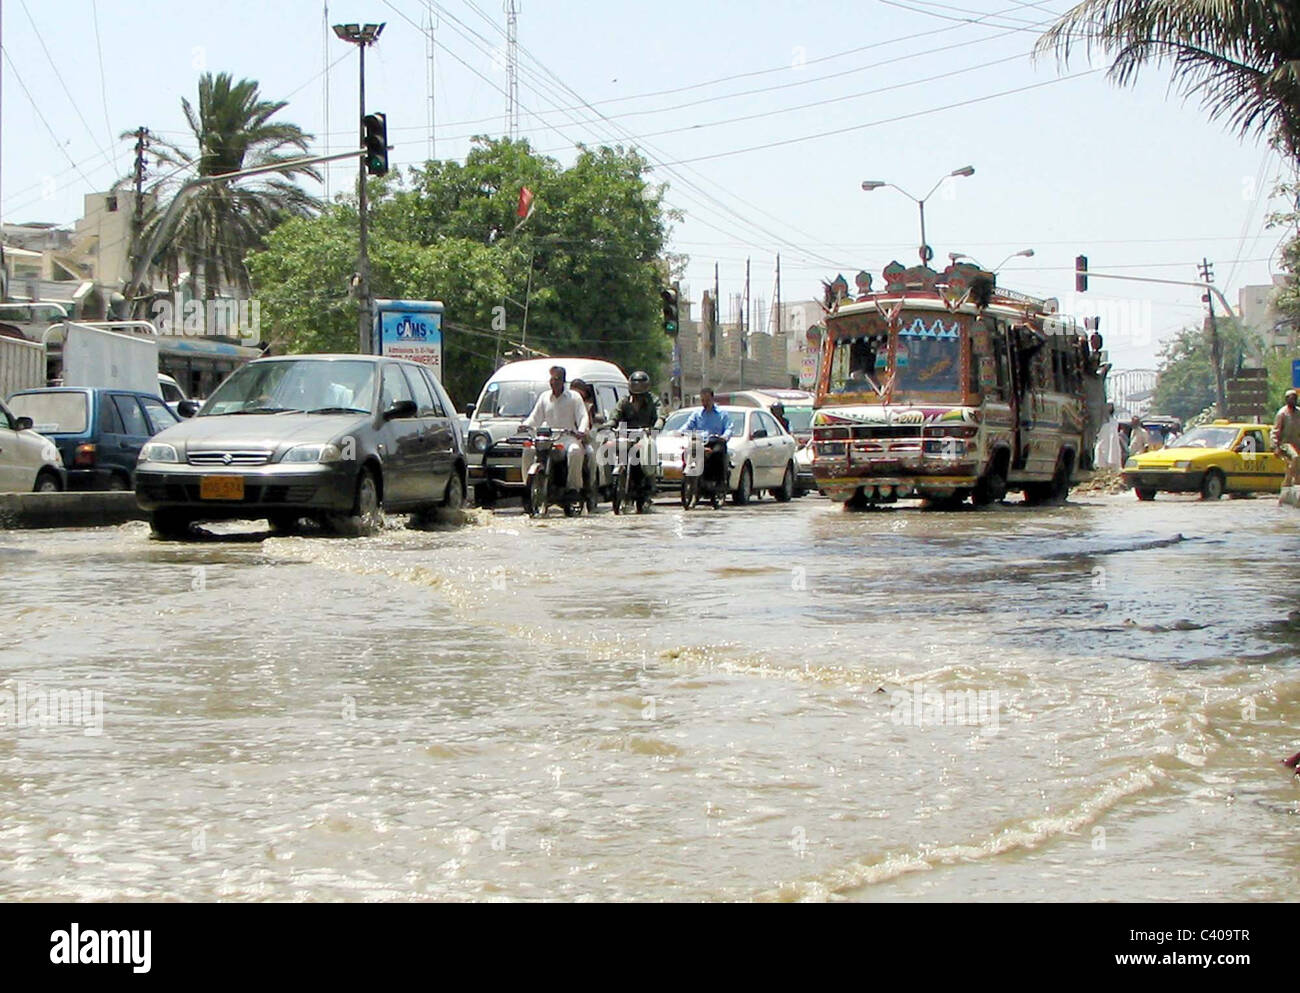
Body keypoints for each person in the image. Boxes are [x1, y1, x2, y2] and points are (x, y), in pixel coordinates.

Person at [521, 365, 589, 493]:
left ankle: (573, 488)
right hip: (548, 439)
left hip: (568, 438)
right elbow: (535, 418)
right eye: (551, 379)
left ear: (563, 381)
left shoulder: (574, 397)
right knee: (528, 450)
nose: (553, 382)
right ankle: (528, 486)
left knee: (574, 451)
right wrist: (525, 425)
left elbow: (583, 416)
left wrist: (581, 430)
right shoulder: (544, 397)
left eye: (556, 379)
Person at [683, 387, 733, 485]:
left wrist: (724, 436)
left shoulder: (722, 414)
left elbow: (729, 428)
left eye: (707, 400)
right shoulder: (697, 414)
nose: (705, 403)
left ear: (712, 399)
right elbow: (687, 426)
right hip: (700, 442)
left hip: (716, 441)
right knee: (688, 452)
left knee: (717, 453)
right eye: (703, 400)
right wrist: (679, 432)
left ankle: (718, 481)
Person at [1273, 388, 1300, 487]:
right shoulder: (1282, 413)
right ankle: (1288, 480)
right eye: (1291, 398)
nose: (1293, 400)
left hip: (1297, 442)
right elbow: (1276, 431)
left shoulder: (1299, 413)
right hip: (1286, 443)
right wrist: (1276, 446)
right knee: (1295, 457)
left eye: (1295, 398)